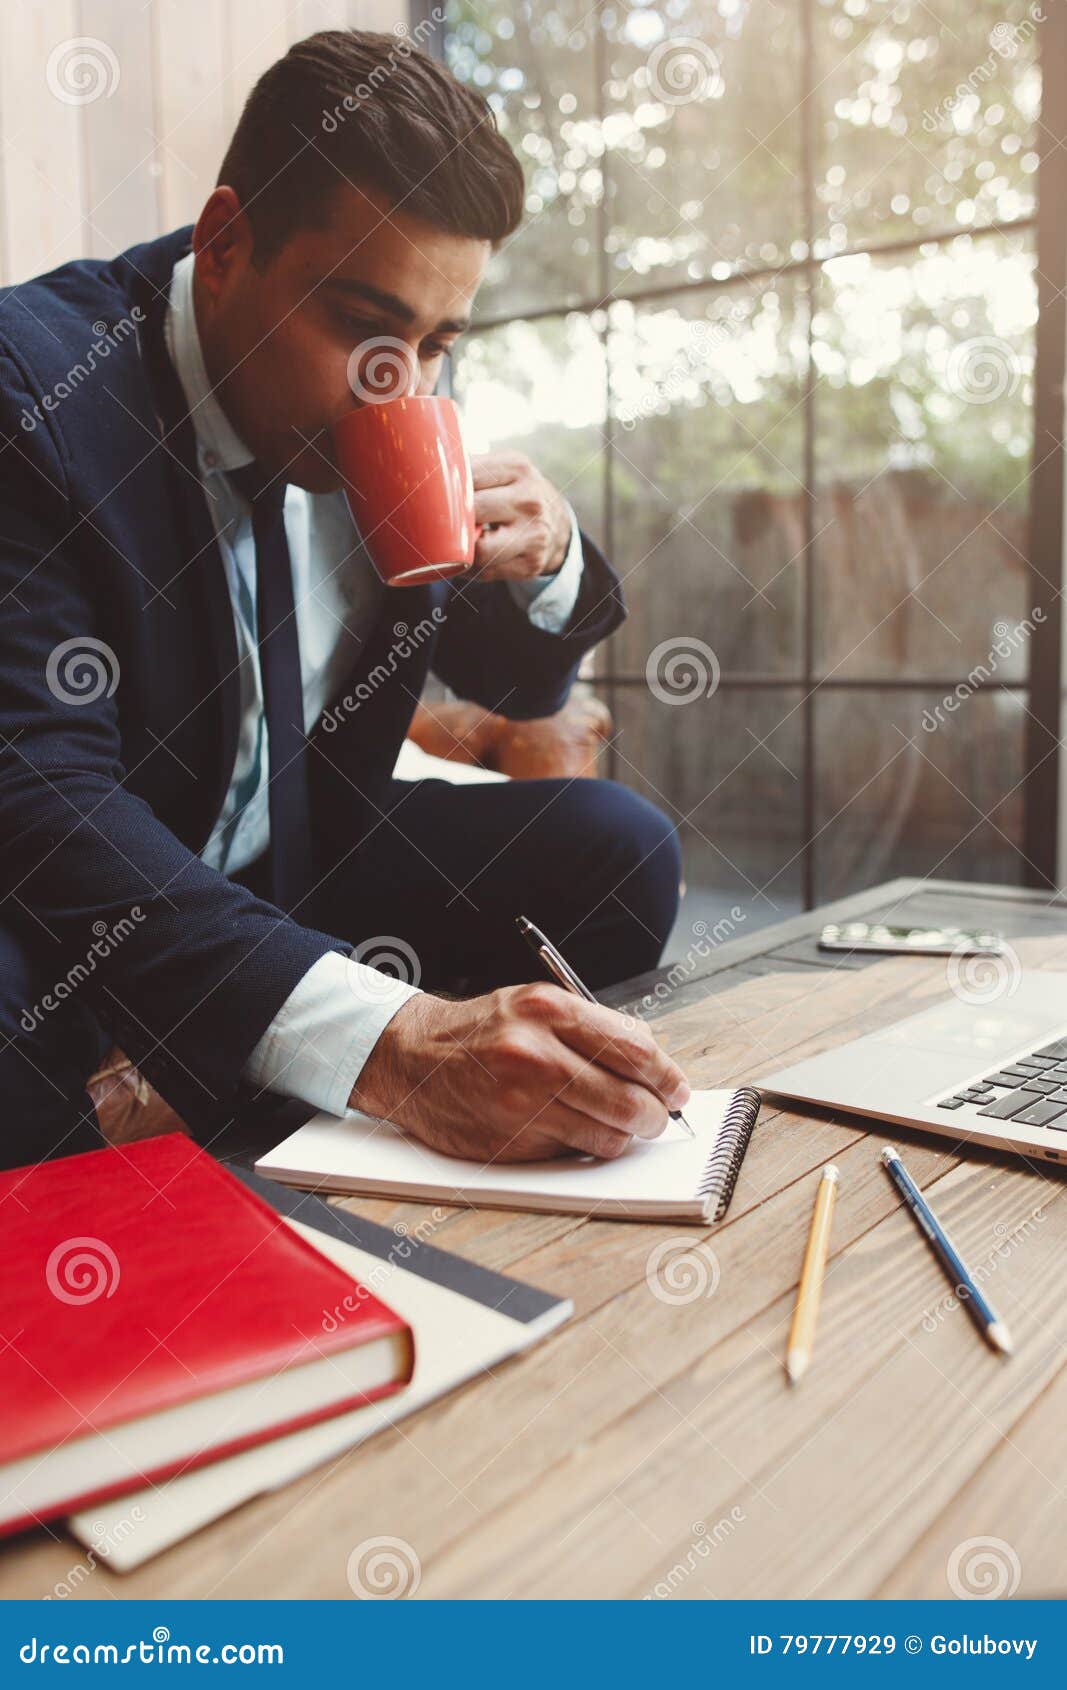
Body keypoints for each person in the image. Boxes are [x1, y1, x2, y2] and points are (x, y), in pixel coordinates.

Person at [0, 30, 687, 1172]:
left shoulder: (390, 387)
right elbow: (40, 798)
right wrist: (398, 1042)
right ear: (224, 244)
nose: (401, 387)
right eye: (366, 328)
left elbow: (523, 684)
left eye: (437, 342)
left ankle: (412, 1135)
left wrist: (551, 554)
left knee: (617, 846)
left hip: (297, 856)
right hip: (87, 895)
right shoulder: (37, 394)